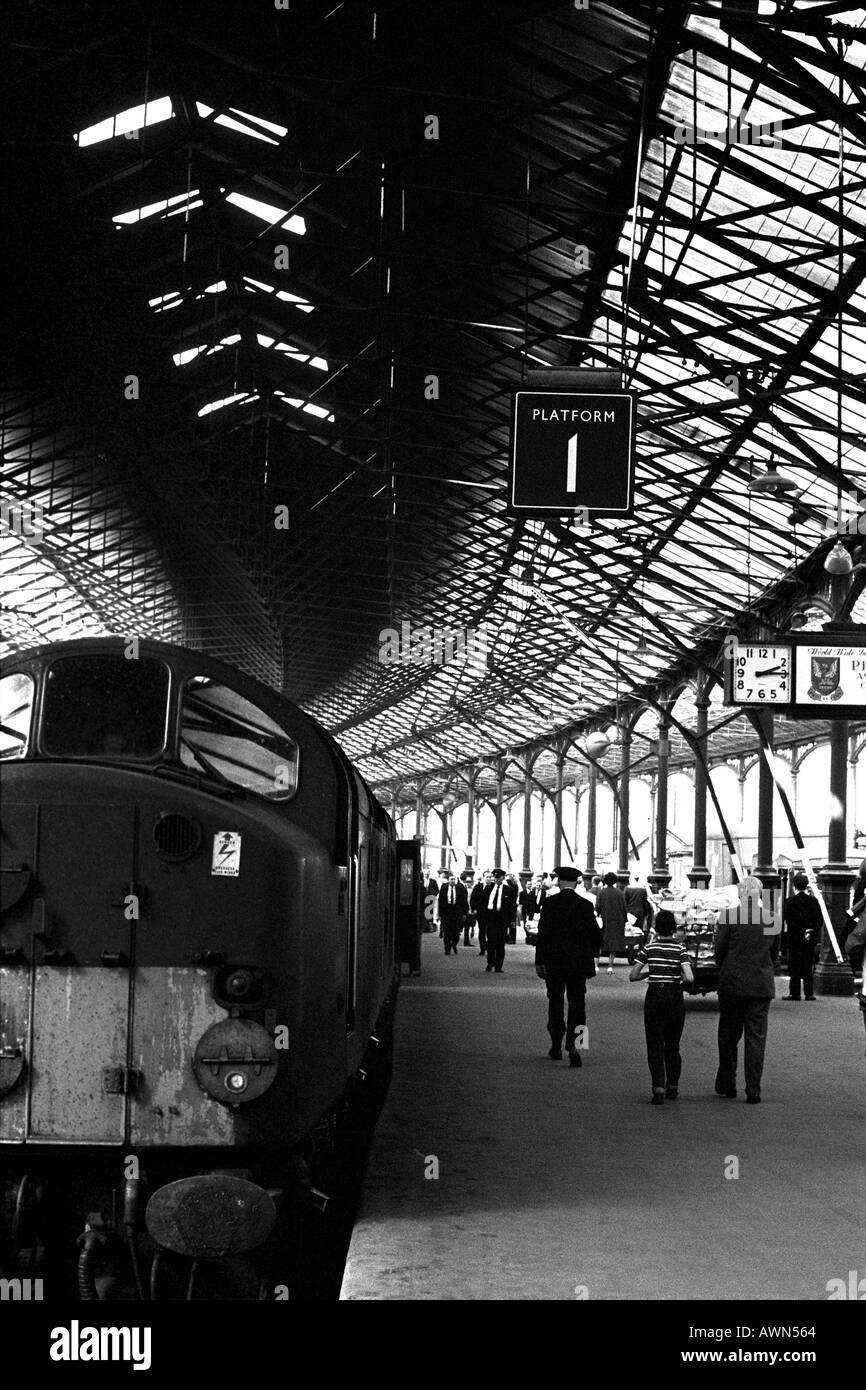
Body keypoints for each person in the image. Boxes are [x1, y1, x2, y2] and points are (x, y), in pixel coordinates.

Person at [713, 877, 780, 1104]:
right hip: (760, 985)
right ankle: (753, 1089)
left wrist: (726, 965)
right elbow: (775, 954)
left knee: (728, 1035)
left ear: (740, 894)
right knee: (756, 1038)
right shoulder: (772, 918)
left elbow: (719, 951)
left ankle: (727, 1083)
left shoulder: (729, 915)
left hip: (732, 983)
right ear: (759, 894)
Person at [534, 866, 602, 1066]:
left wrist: (540, 961)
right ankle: (578, 1046)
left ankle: (556, 1045)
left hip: (554, 964)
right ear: (576, 882)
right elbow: (596, 936)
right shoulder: (585, 905)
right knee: (578, 1006)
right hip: (578, 965)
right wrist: (591, 956)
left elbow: (543, 935)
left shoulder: (550, 904)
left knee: (555, 1003)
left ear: (560, 882)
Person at [628, 909, 694, 1104]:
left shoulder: (649, 949)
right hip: (674, 997)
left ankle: (658, 1087)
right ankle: (672, 1085)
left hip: (655, 996)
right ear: (674, 929)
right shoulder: (680, 950)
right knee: (672, 1044)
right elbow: (689, 976)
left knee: (655, 1043)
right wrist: (680, 978)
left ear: (656, 928)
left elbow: (633, 976)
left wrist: (649, 974)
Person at [782, 872, 820, 1000]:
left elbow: (787, 919)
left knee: (794, 966)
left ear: (794, 886)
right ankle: (809, 993)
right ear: (806, 885)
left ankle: (795, 993)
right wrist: (810, 931)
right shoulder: (813, 901)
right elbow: (819, 920)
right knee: (808, 965)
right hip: (809, 938)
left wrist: (798, 930)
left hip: (794, 938)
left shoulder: (790, 901)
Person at [485, 867, 517, 973]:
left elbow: (512, 907)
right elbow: (483, 903)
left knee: (500, 943)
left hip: (502, 920)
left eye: (498, 877)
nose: (496, 879)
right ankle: (490, 962)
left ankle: (498, 966)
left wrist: (512, 920)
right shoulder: (489, 889)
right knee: (490, 942)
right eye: (495, 877)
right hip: (490, 918)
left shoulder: (509, 890)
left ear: (503, 878)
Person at [595, 871, 627, 973]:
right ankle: (610, 966)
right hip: (617, 921)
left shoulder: (601, 892)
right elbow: (624, 908)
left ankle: (596, 966)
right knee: (613, 943)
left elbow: (597, 908)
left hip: (604, 920)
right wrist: (625, 920)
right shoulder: (619, 893)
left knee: (599, 942)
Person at [437, 871, 468, 955]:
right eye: (451, 879)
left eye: (454, 879)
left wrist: (465, 913)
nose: (453, 881)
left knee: (456, 932)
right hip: (446, 913)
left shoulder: (460, 888)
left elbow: (464, 901)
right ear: (448, 880)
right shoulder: (444, 887)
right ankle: (447, 949)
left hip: (457, 913)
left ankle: (454, 945)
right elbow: (440, 901)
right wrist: (439, 914)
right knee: (447, 932)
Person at [470, 870, 492, 956]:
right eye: (487, 877)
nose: (489, 879)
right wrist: (474, 909)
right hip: (481, 913)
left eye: (490, 877)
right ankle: (482, 948)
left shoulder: (494, 887)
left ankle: (489, 947)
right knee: (482, 931)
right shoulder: (478, 887)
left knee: (490, 931)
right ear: (483, 878)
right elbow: (473, 899)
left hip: (491, 914)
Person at [461, 872, 477, 945]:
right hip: (466, 909)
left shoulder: (473, 890)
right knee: (466, 926)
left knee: (472, 924)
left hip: (471, 909)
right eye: (467, 882)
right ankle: (466, 941)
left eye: (470, 882)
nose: (468, 883)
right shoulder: (463, 889)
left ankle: (468, 939)